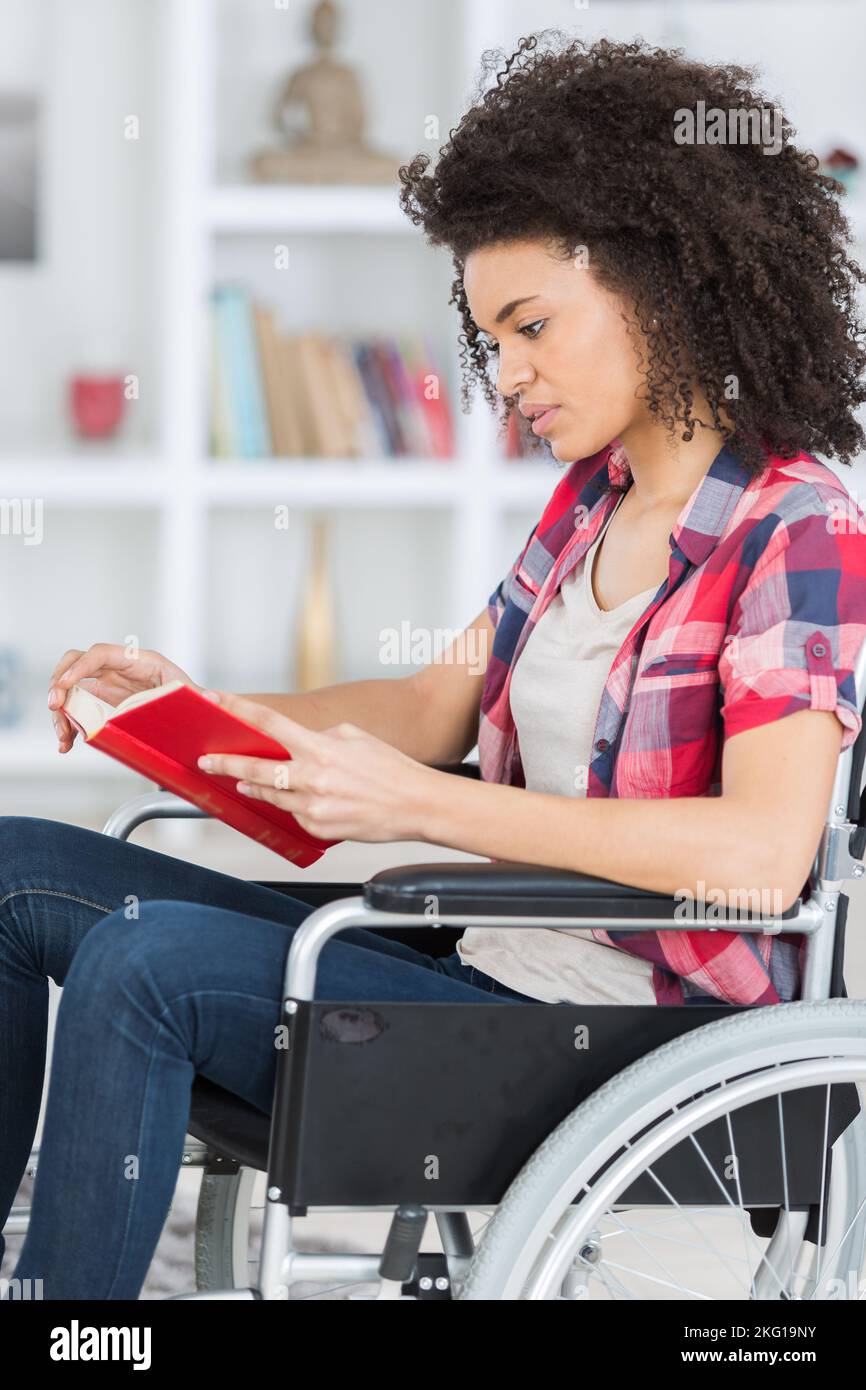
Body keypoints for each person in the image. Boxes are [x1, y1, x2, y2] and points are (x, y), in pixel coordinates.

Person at [3, 33, 866, 1300]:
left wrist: (420, 810)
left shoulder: (799, 528)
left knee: (145, 961)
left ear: (667, 285)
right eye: (489, 338)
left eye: (530, 328)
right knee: (17, 863)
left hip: (616, 1031)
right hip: (473, 962)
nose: (504, 377)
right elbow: (423, 704)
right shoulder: (589, 502)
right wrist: (192, 705)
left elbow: (758, 855)